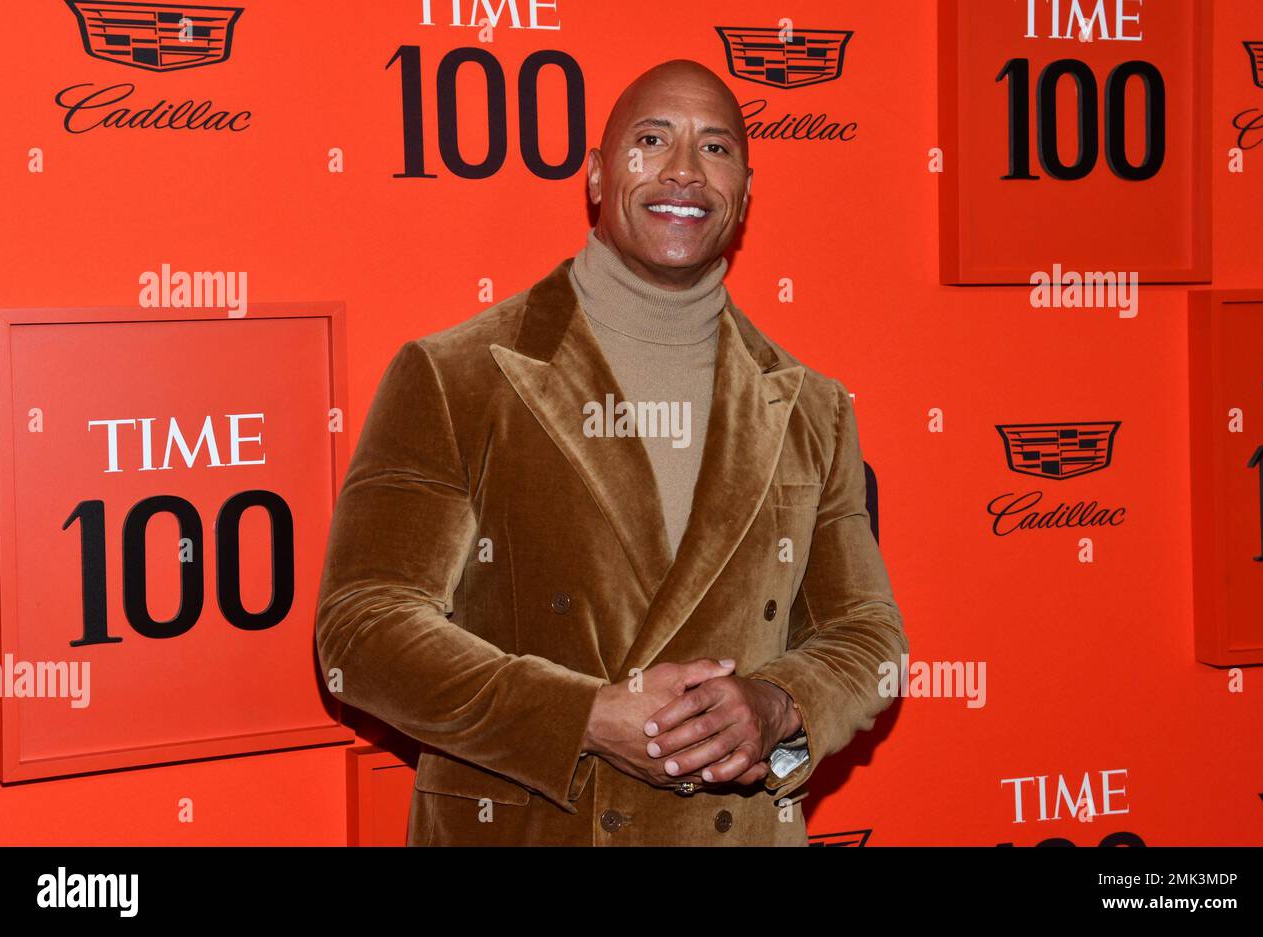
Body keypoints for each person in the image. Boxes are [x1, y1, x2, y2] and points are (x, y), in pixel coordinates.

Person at [315, 58, 908, 846]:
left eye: (716, 147)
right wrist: (583, 718)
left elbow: (869, 636)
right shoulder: (458, 375)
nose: (684, 171)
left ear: (745, 189)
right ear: (596, 175)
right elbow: (361, 630)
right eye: (652, 140)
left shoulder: (813, 406)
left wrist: (780, 704)